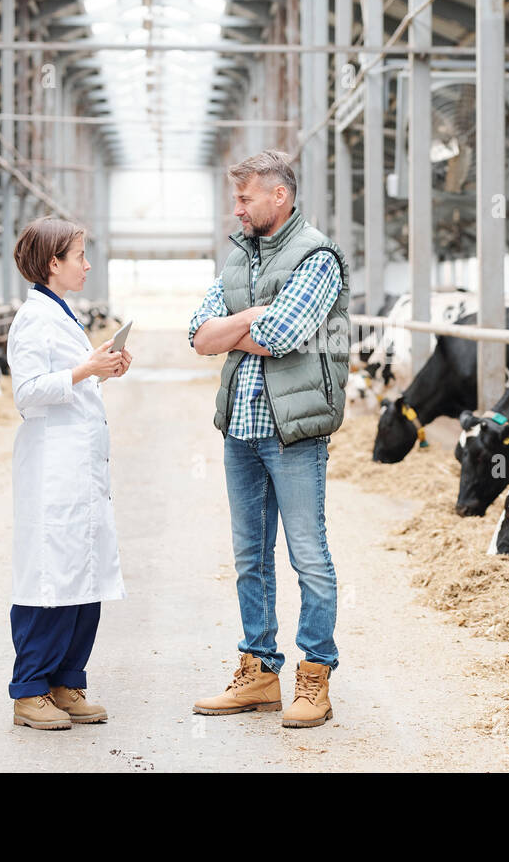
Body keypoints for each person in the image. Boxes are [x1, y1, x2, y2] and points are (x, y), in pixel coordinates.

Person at [188, 150, 351, 729]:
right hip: (241, 429)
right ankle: (259, 672)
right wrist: (253, 314)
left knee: (308, 555)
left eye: (245, 198)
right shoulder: (238, 257)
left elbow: (283, 336)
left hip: (294, 433)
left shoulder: (317, 255)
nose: (237, 209)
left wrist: (237, 327)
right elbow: (198, 335)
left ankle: (315, 675)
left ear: (278, 196)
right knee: (249, 559)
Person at [6, 216, 131, 730]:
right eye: (79, 256)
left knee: (86, 574)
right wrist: (85, 370)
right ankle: (30, 690)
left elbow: (72, 382)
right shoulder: (32, 319)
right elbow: (27, 392)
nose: (86, 264)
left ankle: (67, 682)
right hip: (53, 471)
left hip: (81, 470)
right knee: (48, 577)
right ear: (53, 264)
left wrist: (104, 367)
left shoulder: (63, 313)